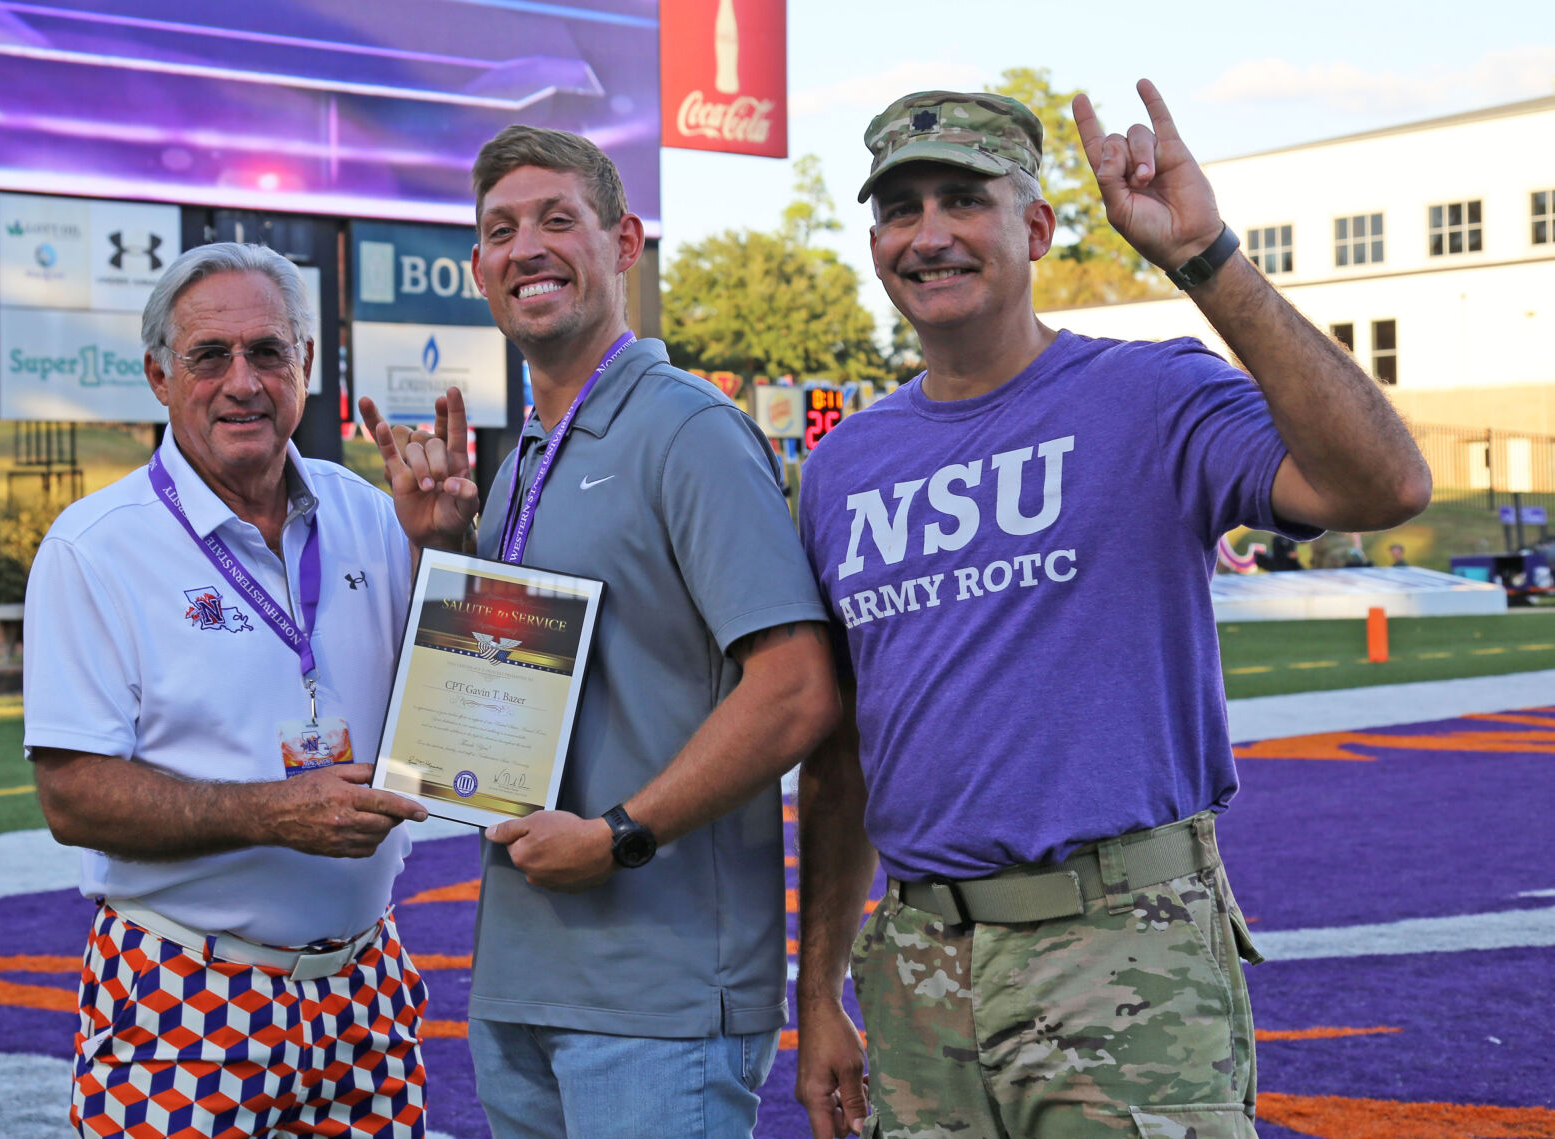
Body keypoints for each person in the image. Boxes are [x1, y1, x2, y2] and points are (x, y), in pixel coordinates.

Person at [793, 84, 1430, 1139]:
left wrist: (1205, 257)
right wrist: (814, 990)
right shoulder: (840, 466)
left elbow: (1381, 486)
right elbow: (839, 756)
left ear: (1034, 227)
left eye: (963, 199)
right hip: (916, 967)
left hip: (1119, 946)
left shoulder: (1149, 394)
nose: (929, 234)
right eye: (899, 209)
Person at [365, 124, 839, 1138]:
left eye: (555, 219)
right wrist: (440, 549)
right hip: (525, 978)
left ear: (623, 242)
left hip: (658, 992)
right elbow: (498, 703)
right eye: (500, 230)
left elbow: (797, 685)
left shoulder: (686, 429)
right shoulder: (525, 453)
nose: (525, 247)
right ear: (479, 269)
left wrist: (621, 832)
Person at [23, 242, 435, 1139]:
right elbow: (72, 794)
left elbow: (459, 705)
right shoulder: (96, 546)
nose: (242, 381)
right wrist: (272, 812)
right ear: (160, 378)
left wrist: (451, 546)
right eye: (211, 356)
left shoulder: (372, 512)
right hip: (184, 986)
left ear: (308, 367)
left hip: (365, 986)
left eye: (268, 351)